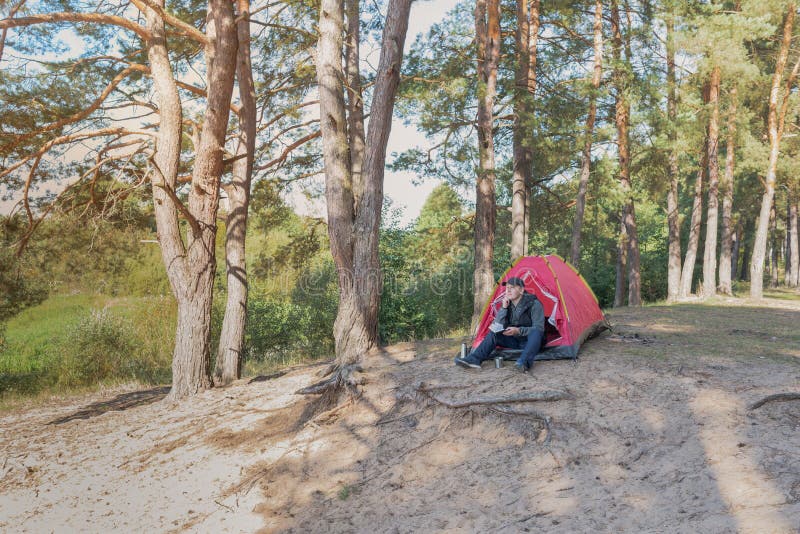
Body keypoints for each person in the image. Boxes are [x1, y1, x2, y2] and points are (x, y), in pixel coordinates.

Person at [454, 276, 545, 372]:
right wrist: (504, 308)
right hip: (515, 341)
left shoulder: (534, 304)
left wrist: (518, 330)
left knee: (536, 332)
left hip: (531, 342)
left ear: (521, 290)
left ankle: (523, 363)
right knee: (494, 333)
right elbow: (496, 326)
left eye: (512, 287)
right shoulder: (507, 304)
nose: (508, 290)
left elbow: (539, 328)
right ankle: (474, 359)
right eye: (507, 288)